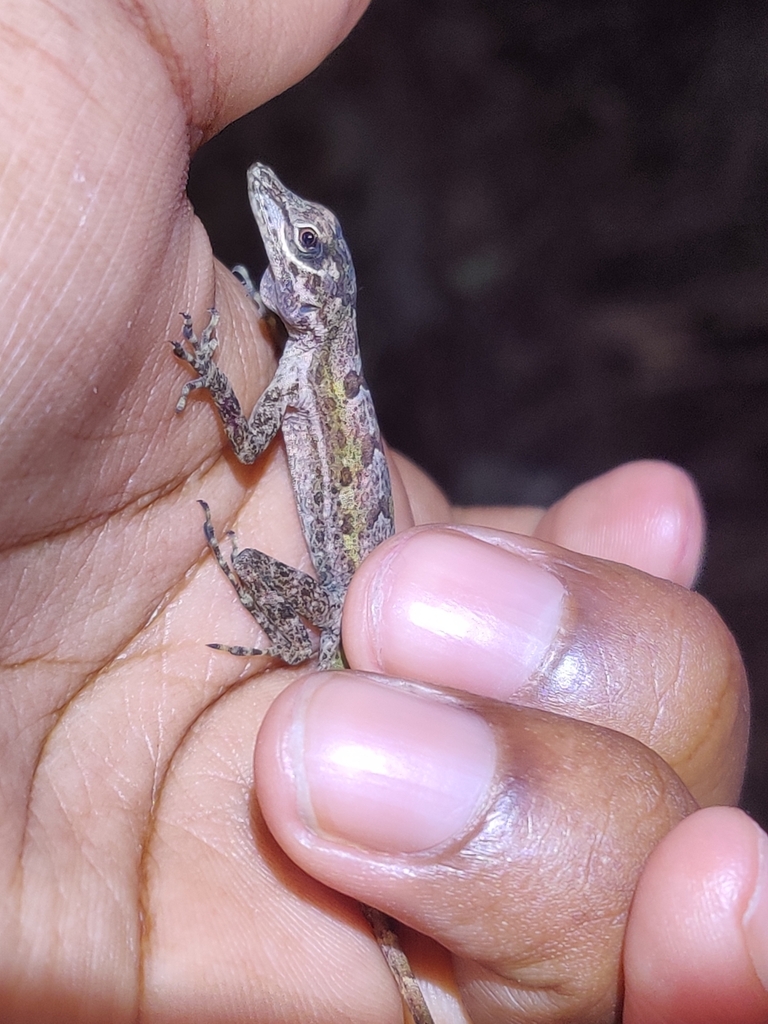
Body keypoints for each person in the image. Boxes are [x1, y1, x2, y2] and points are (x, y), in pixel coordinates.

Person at [0, 1, 764, 1021]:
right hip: (348, 603)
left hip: (345, 609)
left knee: (321, 629)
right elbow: (250, 437)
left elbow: (245, 439)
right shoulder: (313, 361)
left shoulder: (311, 366)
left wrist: (214, 370)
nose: (275, 210)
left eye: (304, 241)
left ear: (317, 291)